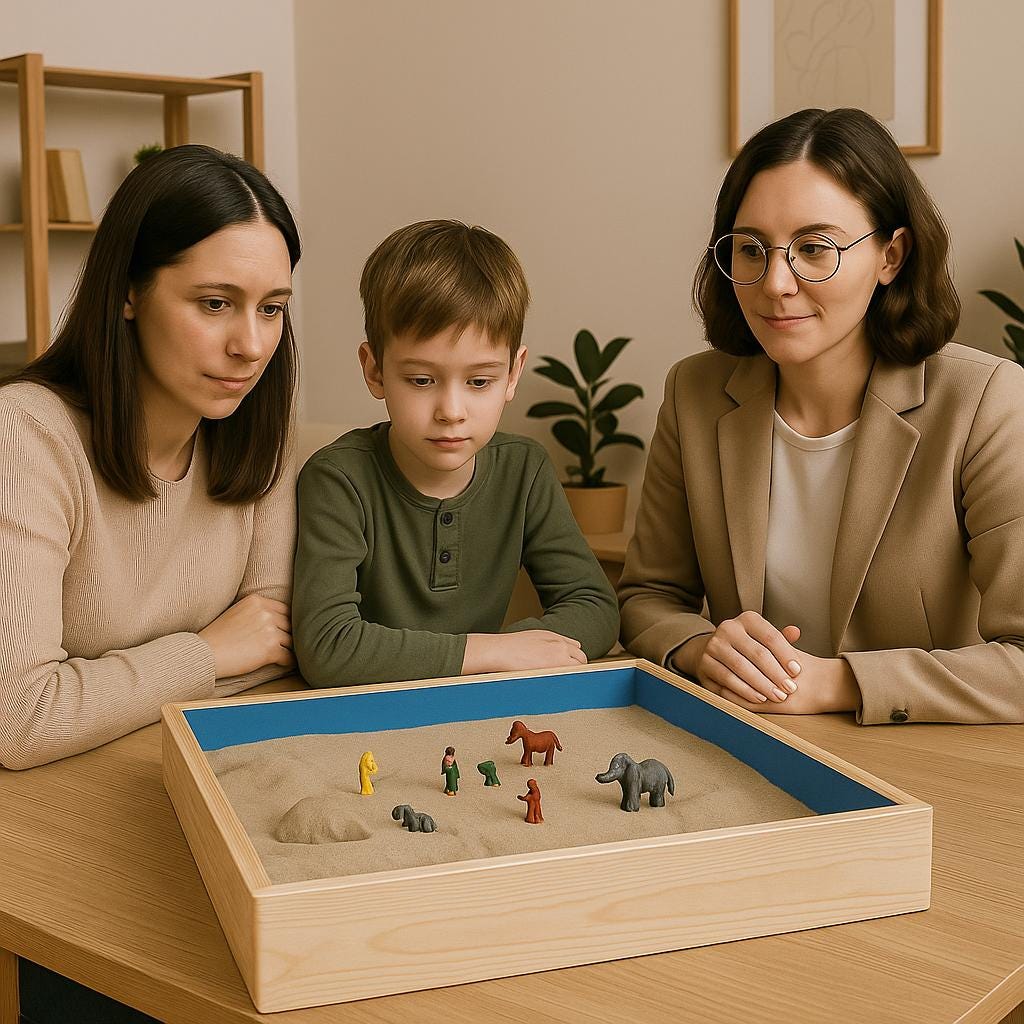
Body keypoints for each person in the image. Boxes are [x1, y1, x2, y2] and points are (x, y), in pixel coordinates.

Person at [619, 107, 1024, 725]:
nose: (775, 282)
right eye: (751, 249)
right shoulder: (695, 393)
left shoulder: (987, 401)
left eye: (814, 248)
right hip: (750, 744)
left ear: (891, 255)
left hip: (931, 761)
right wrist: (704, 649)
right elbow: (648, 597)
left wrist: (838, 684)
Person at [0, 145, 301, 773]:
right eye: (215, 303)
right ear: (129, 292)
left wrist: (93, 692)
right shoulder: (27, 436)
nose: (250, 345)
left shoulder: (260, 428)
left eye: (271, 308)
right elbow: (20, 718)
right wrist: (207, 655)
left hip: (179, 766)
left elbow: (278, 647)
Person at [293, 219, 619, 687]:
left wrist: (518, 652)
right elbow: (328, 648)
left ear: (513, 373)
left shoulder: (524, 469)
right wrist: (492, 652)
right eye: (422, 380)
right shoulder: (338, 478)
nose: (451, 410)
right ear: (375, 370)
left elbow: (596, 606)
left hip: (483, 712)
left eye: (479, 381)